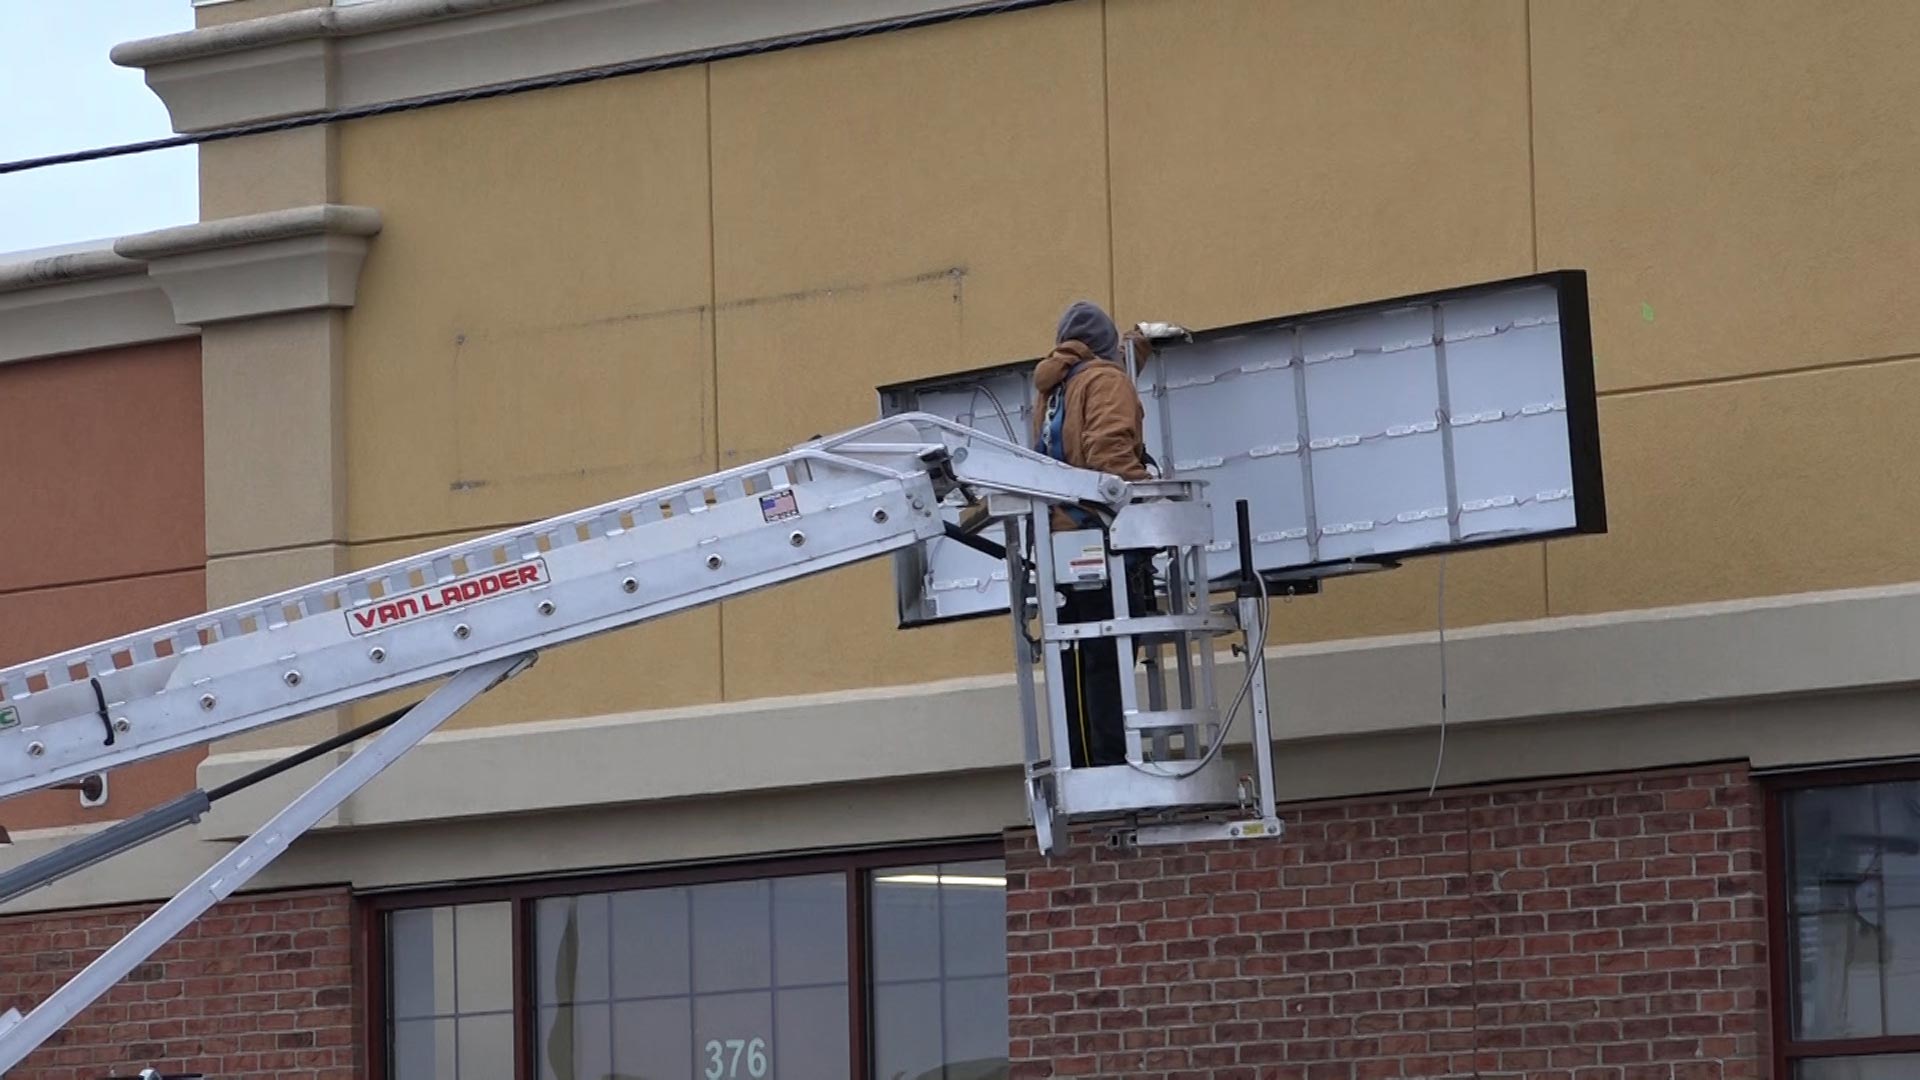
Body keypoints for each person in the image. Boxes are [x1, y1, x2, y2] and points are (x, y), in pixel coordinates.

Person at [1031, 300, 1154, 768]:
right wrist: (1148, 499)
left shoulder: (1055, 385)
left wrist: (1136, 350)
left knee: (1077, 655)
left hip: (1064, 544)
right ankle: (1110, 760)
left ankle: (1081, 759)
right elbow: (1107, 451)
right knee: (1111, 653)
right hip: (1105, 538)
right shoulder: (1105, 382)